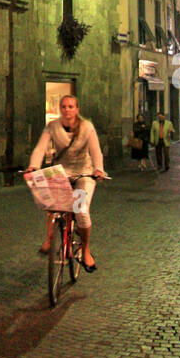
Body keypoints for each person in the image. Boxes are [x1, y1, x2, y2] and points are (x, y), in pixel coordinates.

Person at [26, 94, 109, 270]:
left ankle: (85, 251)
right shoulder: (53, 127)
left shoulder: (87, 127)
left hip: (84, 174)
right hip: (62, 172)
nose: (67, 110)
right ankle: (50, 238)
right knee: (51, 204)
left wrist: (98, 169)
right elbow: (40, 148)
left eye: (71, 107)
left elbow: (95, 151)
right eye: (64, 106)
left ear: (77, 109)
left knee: (81, 211)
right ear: (60, 109)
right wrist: (33, 166)